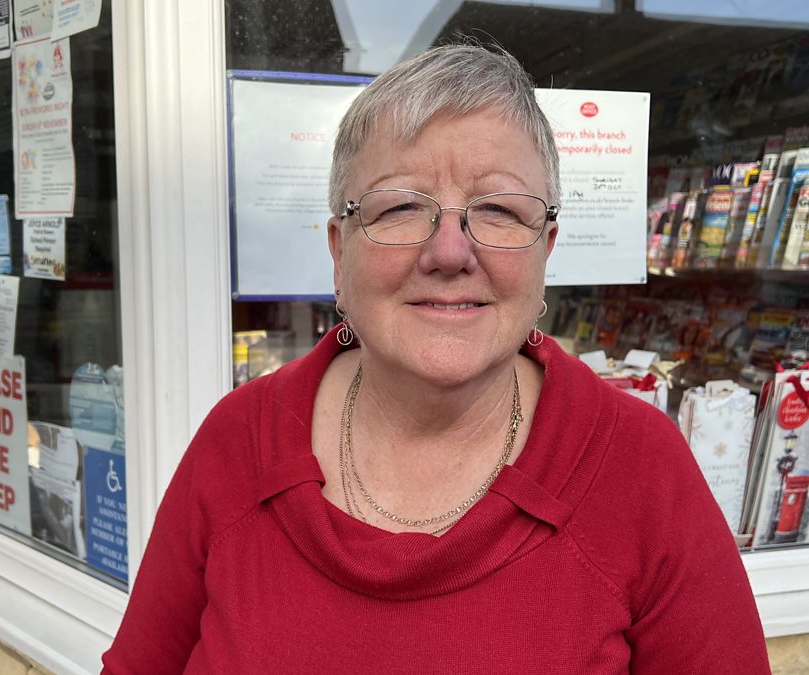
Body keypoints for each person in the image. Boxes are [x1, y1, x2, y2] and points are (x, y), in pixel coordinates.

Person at [102, 44, 770, 673]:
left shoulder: (639, 468)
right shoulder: (238, 442)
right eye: (399, 206)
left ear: (547, 249)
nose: (450, 252)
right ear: (339, 252)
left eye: (500, 209)